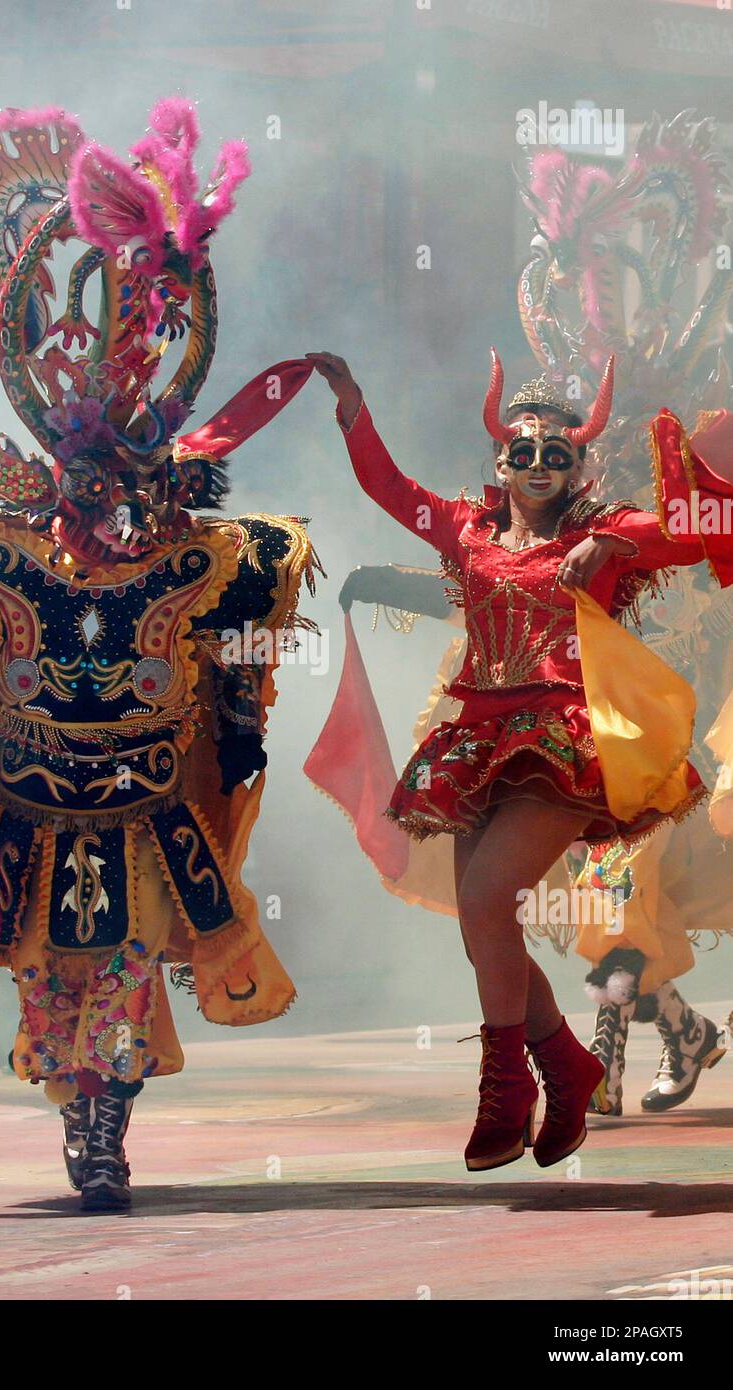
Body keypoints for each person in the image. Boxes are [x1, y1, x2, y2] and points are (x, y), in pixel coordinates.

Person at [0, 100, 318, 1213]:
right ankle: (80, 1111)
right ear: (54, 479)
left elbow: (241, 633)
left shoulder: (197, 560)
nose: (122, 514)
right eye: (98, 489)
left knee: (130, 977)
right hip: (38, 813)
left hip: (145, 811)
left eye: (139, 491)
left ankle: (104, 1130)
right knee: (50, 984)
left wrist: (236, 711)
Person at [305, 347, 733, 1172]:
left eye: (555, 455)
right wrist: (354, 409)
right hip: (476, 741)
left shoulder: (606, 533)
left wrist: (612, 549)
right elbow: (391, 493)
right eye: (522, 452)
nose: (537, 466)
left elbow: (703, 534)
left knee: (489, 896)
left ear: (580, 465)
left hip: (562, 742)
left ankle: (507, 1088)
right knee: (482, 923)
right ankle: (567, 1067)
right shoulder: (468, 529)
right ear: (499, 462)